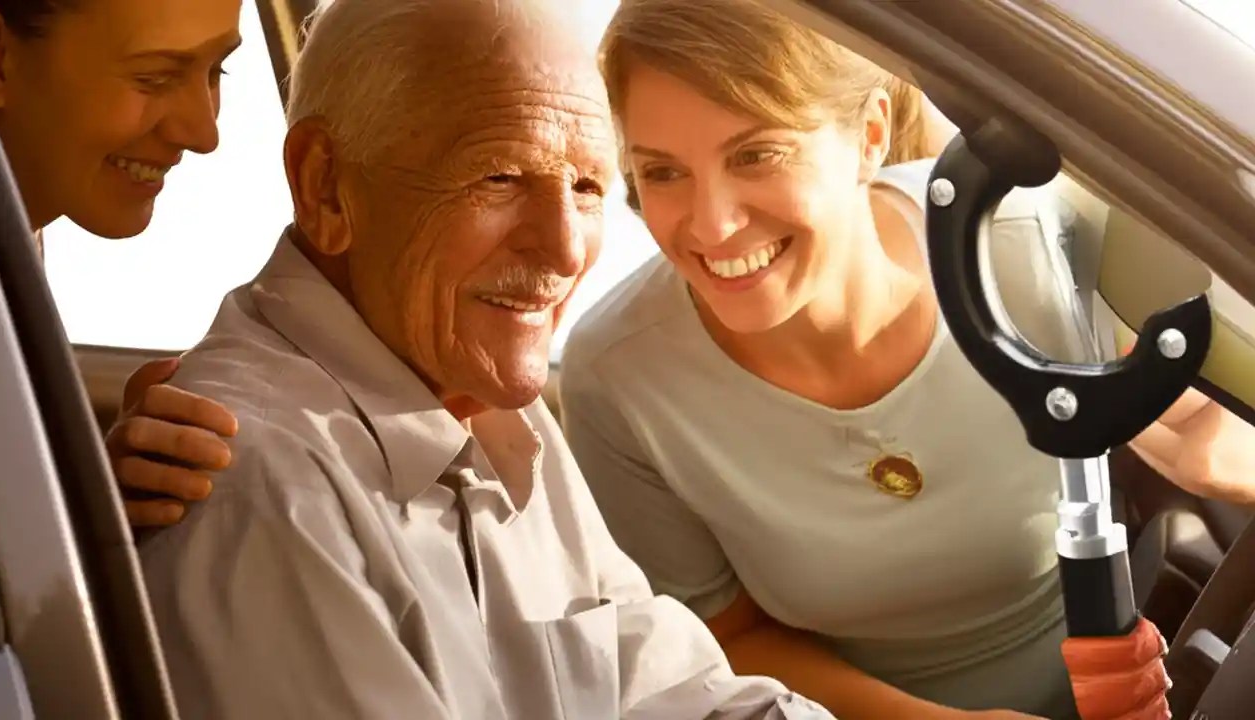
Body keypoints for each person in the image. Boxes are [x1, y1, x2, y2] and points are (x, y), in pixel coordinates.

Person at [134, 0, 835, 717]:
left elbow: (667, 693)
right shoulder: (252, 482)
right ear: (325, 186)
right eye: (499, 177)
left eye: (589, 187)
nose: (564, 249)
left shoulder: (487, 399)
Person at [558, 0, 1245, 717]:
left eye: (755, 154)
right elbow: (721, 642)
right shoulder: (618, 376)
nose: (712, 224)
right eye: (664, 173)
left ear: (871, 136)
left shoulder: (1025, 237)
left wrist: (1217, 455)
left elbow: (1217, 425)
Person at [0, 0, 242, 526]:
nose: (204, 133)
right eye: (155, 78)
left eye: (216, 71)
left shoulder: (6, 237)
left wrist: (89, 494)